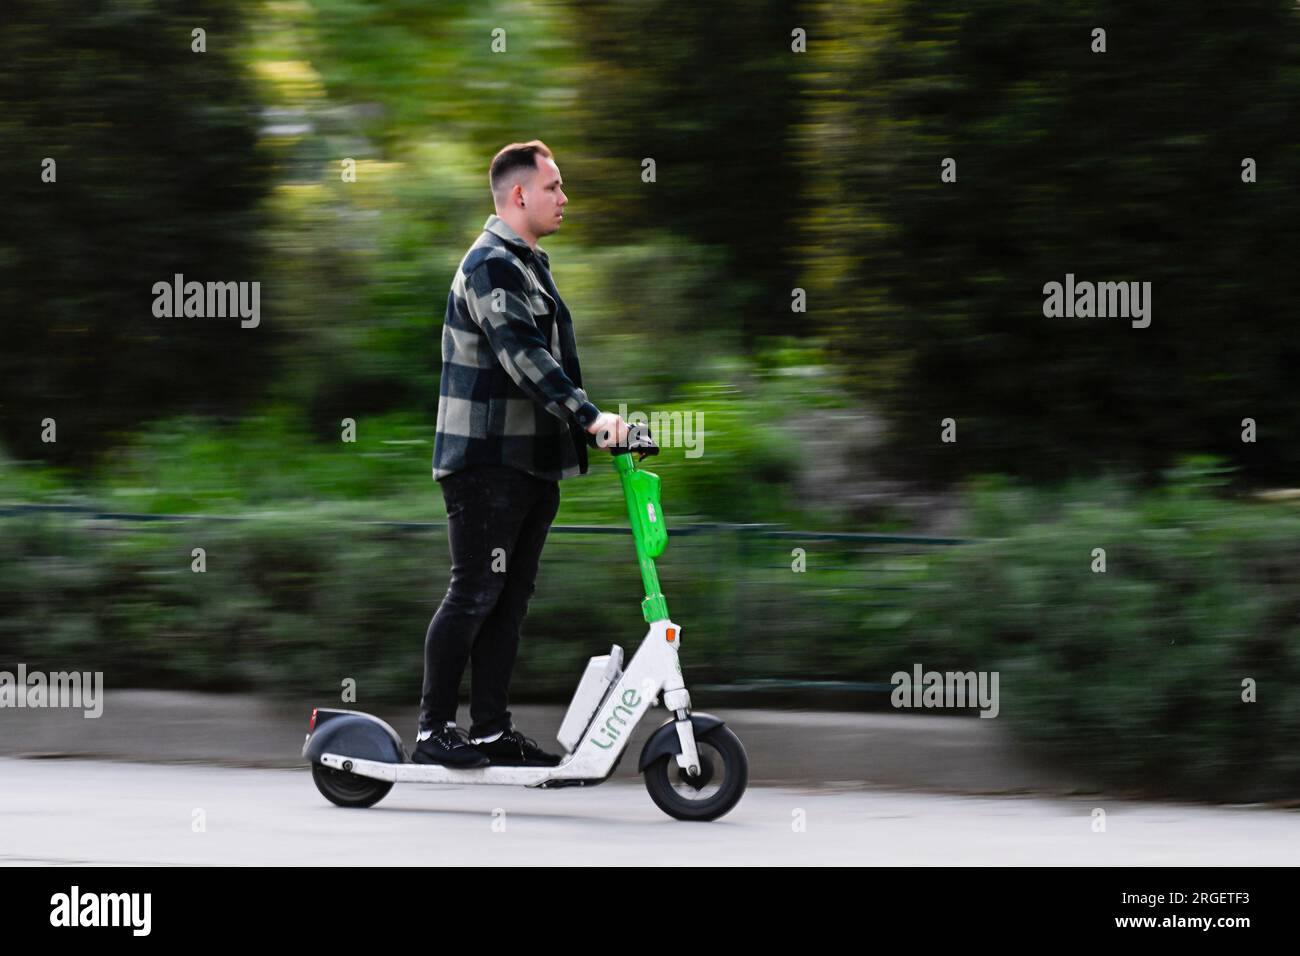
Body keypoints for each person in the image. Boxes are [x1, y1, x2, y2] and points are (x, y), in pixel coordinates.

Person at [415, 140, 630, 768]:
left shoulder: (530, 263)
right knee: (474, 592)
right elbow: (524, 358)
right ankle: (433, 731)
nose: (565, 197)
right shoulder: (491, 266)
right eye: (555, 186)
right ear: (519, 195)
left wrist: (596, 425)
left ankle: (489, 731)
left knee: (508, 602)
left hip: (530, 463)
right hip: (485, 462)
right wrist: (592, 418)